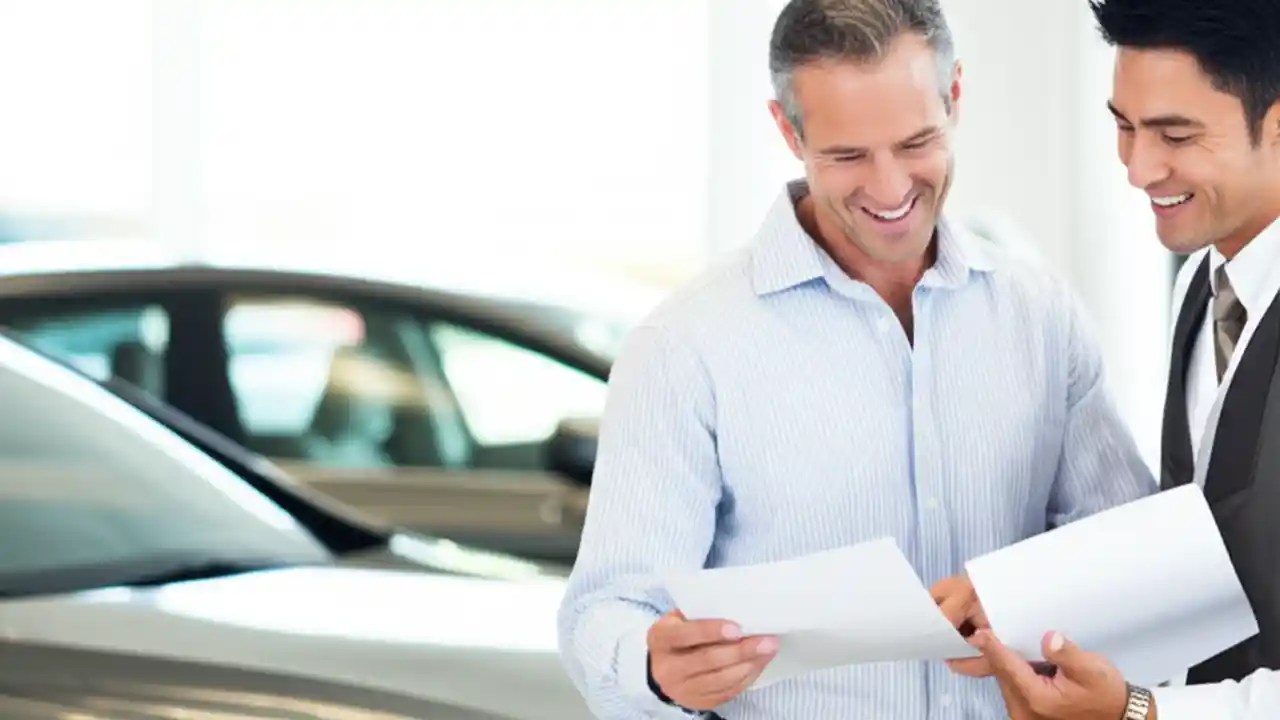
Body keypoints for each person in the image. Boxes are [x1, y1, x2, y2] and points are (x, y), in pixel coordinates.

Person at [556, 0, 1153, 717]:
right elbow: (604, 611)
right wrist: (652, 669)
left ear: (954, 97)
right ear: (787, 129)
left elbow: (1131, 551)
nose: (891, 187)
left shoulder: (1040, 316)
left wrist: (1034, 589)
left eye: (915, 143)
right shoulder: (685, 347)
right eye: (847, 157)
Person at [949, 0, 1280, 718]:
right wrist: (1026, 595)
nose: (1136, 168)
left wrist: (1139, 712)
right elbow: (1212, 539)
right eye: (1124, 127)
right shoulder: (1202, 282)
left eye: (1175, 135)